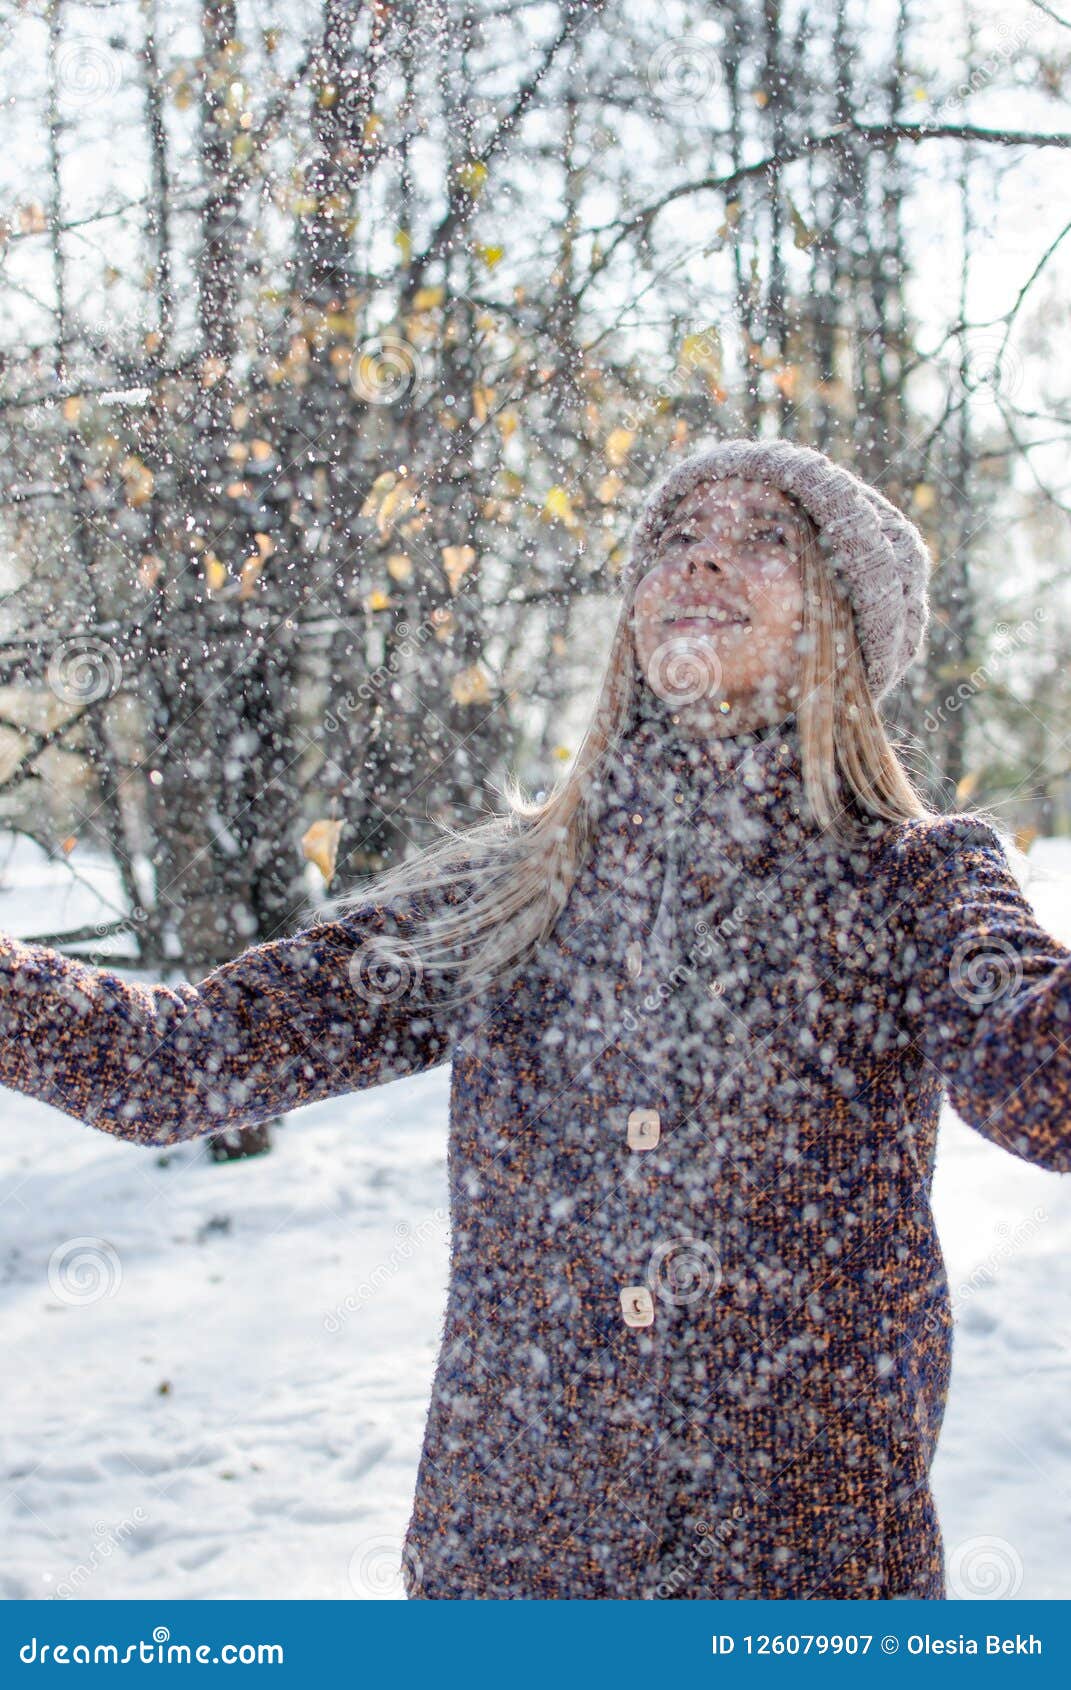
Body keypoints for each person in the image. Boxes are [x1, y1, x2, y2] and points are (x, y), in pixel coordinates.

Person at [2, 435, 1069, 1602]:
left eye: (767, 540)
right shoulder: (512, 889)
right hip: (508, 1590)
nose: (705, 561)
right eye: (676, 538)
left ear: (845, 633)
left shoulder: (914, 884)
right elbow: (179, 1061)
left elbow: (1042, 1077)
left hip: (807, 1592)